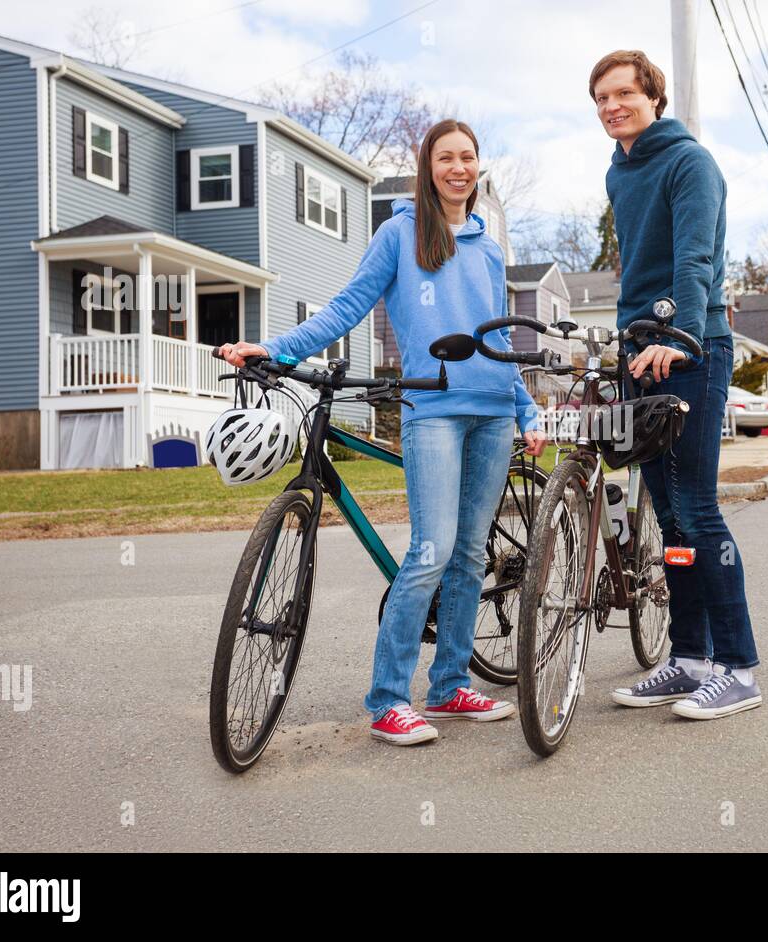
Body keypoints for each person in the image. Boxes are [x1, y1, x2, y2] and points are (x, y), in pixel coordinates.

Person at [218, 119, 547, 746]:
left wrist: (526, 410)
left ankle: (449, 687)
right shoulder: (399, 235)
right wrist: (279, 350)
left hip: (495, 413)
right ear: (428, 167)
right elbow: (348, 306)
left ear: (478, 167)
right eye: (446, 158)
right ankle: (388, 700)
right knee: (432, 552)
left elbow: (499, 339)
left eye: (468, 158)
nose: (458, 168)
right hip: (435, 410)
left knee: (471, 556)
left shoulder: (489, 245)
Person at [589, 50, 761, 720]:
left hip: (692, 348)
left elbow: (694, 260)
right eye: (601, 97)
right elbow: (635, 261)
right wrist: (634, 337)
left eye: (624, 93)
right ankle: (689, 659)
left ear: (654, 96)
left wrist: (679, 336)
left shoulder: (691, 163)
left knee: (697, 509)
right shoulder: (618, 171)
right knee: (668, 517)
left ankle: (738, 666)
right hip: (640, 353)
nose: (612, 106)